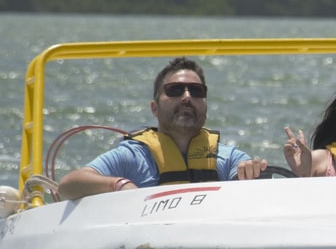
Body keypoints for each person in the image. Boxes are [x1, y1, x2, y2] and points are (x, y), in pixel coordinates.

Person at [58, 57, 267, 199]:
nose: (187, 97)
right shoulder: (133, 157)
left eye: (196, 91)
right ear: (154, 107)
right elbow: (68, 185)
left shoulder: (229, 158)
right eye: (175, 90)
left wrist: (300, 172)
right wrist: (119, 184)